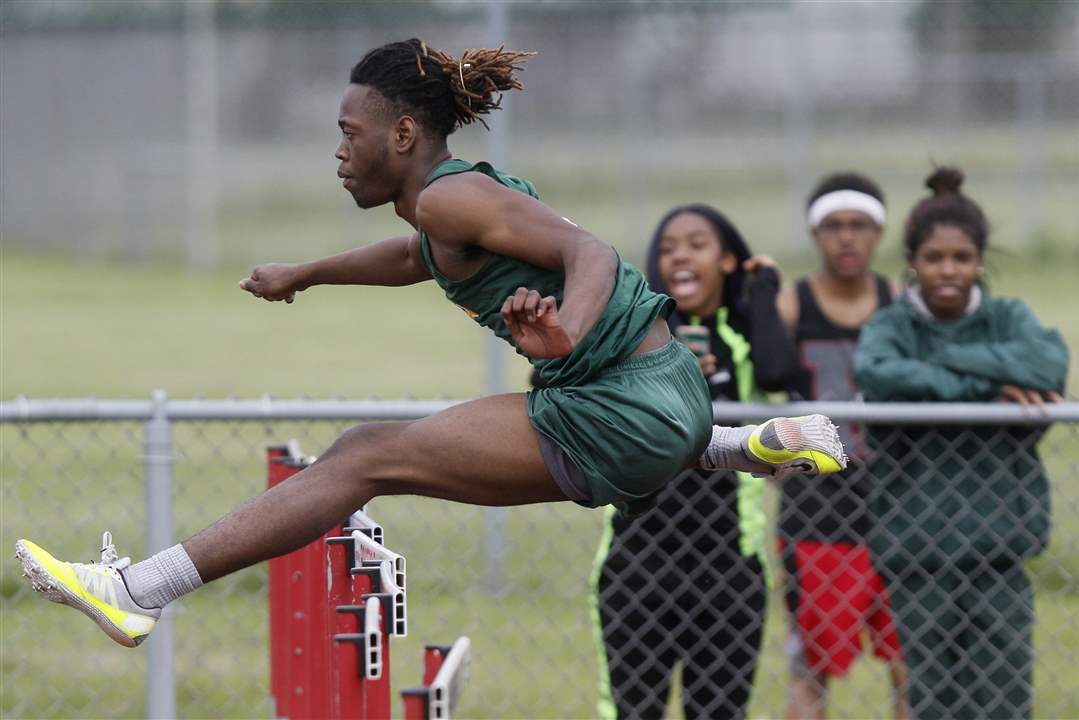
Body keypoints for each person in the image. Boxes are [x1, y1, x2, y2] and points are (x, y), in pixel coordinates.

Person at [14, 39, 845, 650]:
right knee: (363, 450)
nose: (339, 150)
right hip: (667, 391)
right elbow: (417, 258)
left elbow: (588, 252)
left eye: (350, 131)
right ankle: (746, 444)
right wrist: (307, 272)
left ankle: (139, 590)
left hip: (622, 408)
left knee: (366, 458)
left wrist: (566, 330)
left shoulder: (450, 199)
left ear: (404, 134)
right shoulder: (446, 207)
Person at [854, 166, 1068, 720]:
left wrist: (945, 359)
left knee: (1004, 699)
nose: (948, 270)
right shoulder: (892, 326)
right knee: (933, 700)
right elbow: (876, 371)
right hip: (917, 550)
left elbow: (1048, 362)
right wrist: (988, 385)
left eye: (962, 257)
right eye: (934, 258)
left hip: (998, 549)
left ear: (980, 262)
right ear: (912, 263)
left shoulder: (1007, 317)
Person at [593, 205, 800, 719]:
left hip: (730, 559)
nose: (680, 256)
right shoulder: (636, 333)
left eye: (697, 245)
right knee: (631, 709)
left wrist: (764, 291)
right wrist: (665, 365)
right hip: (638, 555)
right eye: (667, 249)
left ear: (727, 260)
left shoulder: (740, 335)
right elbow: (553, 377)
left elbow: (778, 373)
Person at [775, 173, 909, 720]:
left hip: (899, 503)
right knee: (810, 664)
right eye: (833, 226)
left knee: (910, 662)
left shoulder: (900, 303)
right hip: (817, 508)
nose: (847, 237)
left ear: (879, 232)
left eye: (859, 225)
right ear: (815, 234)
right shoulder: (792, 304)